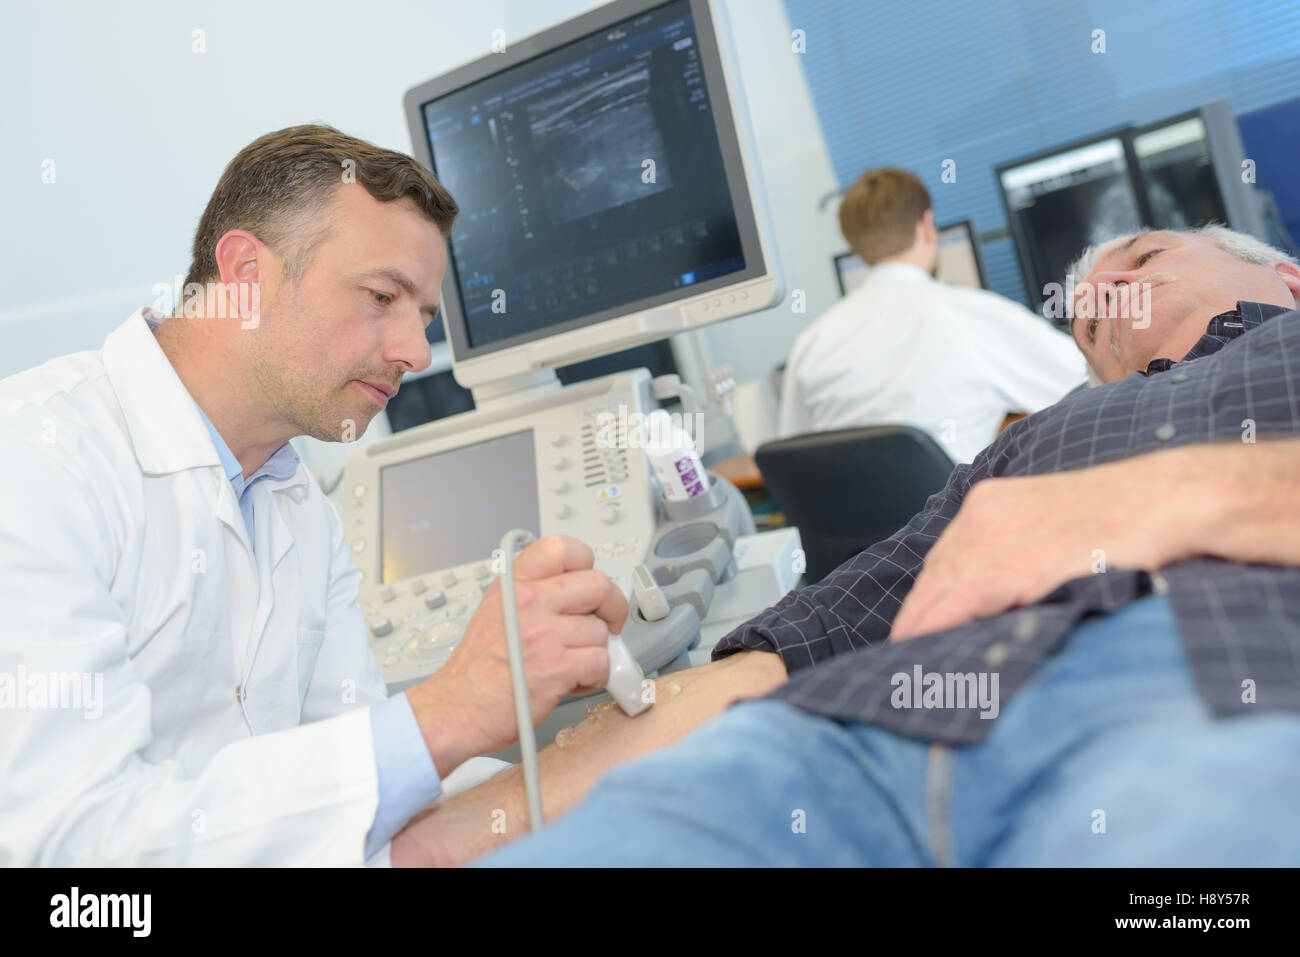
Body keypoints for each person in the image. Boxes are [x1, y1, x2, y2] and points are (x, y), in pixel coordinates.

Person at [402, 225, 1300, 866]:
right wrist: (460, 827)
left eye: (1143, 260)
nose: (1106, 300)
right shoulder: (1036, 442)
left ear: (1288, 278)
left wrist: (1175, 496)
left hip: (1204, 688)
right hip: (857, 741)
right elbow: (781, 657)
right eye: (1092, 327)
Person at [0, 125, 627, 866]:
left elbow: (359, 792)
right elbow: (68, 853)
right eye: (382, 295)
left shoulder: (298, 499)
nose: (417, 352)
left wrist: (574, 775)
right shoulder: (37, 464)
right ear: (244, 273)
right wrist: (453, 709)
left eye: (423, 316)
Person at [778, 167, 1086, 463]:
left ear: (857, 246)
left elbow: (793, 453)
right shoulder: (970, 314)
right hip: (958, 514)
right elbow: (1091, 378)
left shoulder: (811, 343)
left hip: (850, 517)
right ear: (927, 226)